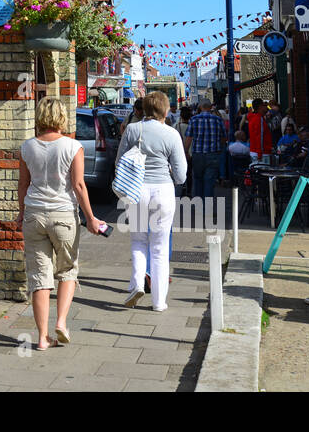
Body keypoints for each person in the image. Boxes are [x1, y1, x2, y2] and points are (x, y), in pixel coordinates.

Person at [18, 97, 108, 350]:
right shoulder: (73, 146)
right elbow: (79, 185)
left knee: (39, 277)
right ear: (61, 117)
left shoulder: (27, 147)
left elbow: (23, 185)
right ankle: (61, 323)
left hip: (34, 214)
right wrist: (90, 218)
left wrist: (20, 212)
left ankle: (42, 338)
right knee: (67, 270)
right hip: (64, 215)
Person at [116, 91, 187, 311]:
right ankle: (158, 302)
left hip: (136, 191)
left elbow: (119, 161)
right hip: (162, 191)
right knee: (159, 246)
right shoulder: (172, 134)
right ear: (166, 110)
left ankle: (137, 284)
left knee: (138, 241)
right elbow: (181, 174)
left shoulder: (132, 129)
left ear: (144, 109)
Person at [185, 99, 226, 200]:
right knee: (209, 182)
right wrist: (219, 149)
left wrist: (185, 152)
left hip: (197, 155)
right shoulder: (218, 120)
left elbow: (188, 139)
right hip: (213, 154)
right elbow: (223, 139)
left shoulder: (193, 120)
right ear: (211, 107)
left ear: (200, 107)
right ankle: (207, 210)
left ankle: (198, 207)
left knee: (198, 180)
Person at [247, 99, 272, 164]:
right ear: (260, 106)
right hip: (262, 154)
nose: (266, 107)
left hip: (255, 151)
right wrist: (259, 153)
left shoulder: (253, 117)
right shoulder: (258, 118)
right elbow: (259, 136)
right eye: (264, 105)